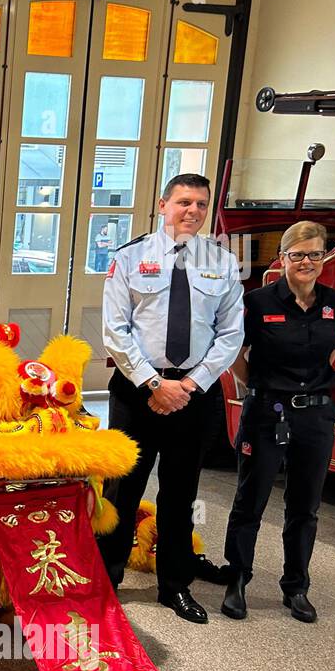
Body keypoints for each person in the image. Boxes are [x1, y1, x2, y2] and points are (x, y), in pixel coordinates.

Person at [100, 173, 244, 623]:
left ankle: (174, 586)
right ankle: (106, 579)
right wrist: (152, 383)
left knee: (181, 495)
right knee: (122, 491)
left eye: (201, 204)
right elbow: (115, 330)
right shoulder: (130, 258)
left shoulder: (221, 263)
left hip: (192, 395)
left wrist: (191, 384)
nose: (193, 211)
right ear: (162, 205)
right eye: (184, 202)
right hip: (136, 391)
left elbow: (231, 333)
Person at [220, 221, 335, 624]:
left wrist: (309, 392)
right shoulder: (258, 302)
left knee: (305, 506)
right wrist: (259, 386)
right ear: (283, 258)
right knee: (250, 500)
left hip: (314, 416)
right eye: (297, 255)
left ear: (324, 257)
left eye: (314, 254)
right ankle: (237, 578)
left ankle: (296, 586)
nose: (306, 262)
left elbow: (333, 356)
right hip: (266, 411)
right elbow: (234, 353)